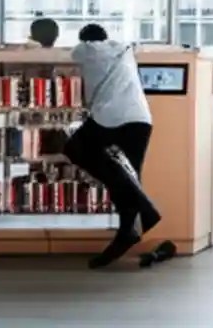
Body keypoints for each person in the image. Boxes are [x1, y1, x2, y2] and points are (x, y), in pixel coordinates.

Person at [64, 24, 161, 268]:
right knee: (130, 175)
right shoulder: (125, 50)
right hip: (140, 119)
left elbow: (72, 54)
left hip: (109, 118)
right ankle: (129, 229)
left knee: (75, 148)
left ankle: (138, 211)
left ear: (85, 39)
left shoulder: (86, 50)